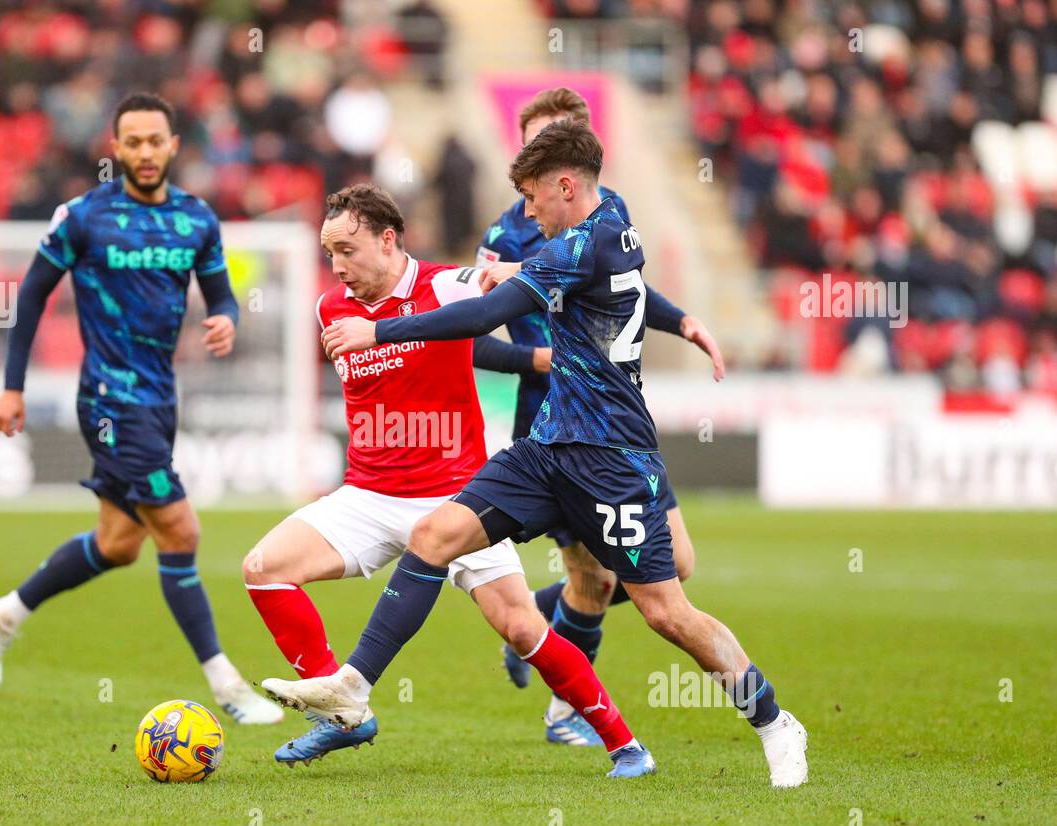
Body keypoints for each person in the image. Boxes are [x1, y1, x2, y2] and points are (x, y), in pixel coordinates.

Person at [267, 121, 809, 786]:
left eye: (531, 198)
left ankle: (775, 722)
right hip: (546, 447)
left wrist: (378, 327)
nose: (525, 212)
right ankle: (354, 687)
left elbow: (474, 321)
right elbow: (587, 278)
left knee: (666, 610)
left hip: (610, 455)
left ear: (564, 185)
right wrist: (677, 317)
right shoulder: (609, 222)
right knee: (435, 537)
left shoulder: (582, 243)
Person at [0, 92, 281, 725]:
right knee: (181, 531)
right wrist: (12, 386)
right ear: (115, 148)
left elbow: (222, 296)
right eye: (131, 142)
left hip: (161, 397)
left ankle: (4, 613)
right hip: (111, 400)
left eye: (154, 141)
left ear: (172, 146)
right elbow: (29, 299)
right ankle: (227, 686)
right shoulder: (83, 218)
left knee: (118, 544)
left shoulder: (197, 220)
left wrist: (224, 318)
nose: (144, 152)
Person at [245, 183, 581, 766]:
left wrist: (538, 357)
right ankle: (343, 709)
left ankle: (619, 738)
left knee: (523, 629)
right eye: (330, 254)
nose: (337, 266)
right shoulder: (331, 309)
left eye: (347, 250)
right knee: (264, 569)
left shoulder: (447, 283)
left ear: (387, 239)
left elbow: (474, 326)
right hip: (369, 494)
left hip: (457, 496)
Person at [479, 87, 724, 747]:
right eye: (543, 135)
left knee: (681, 562)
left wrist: (683, 322)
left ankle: (532, 620)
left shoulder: (607, 209)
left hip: (619, 424)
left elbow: (630, 287)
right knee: (593, 576)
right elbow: (476, 342)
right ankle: (567, 712)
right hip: (553, 427)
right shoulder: (505, 235)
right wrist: (547, 362)